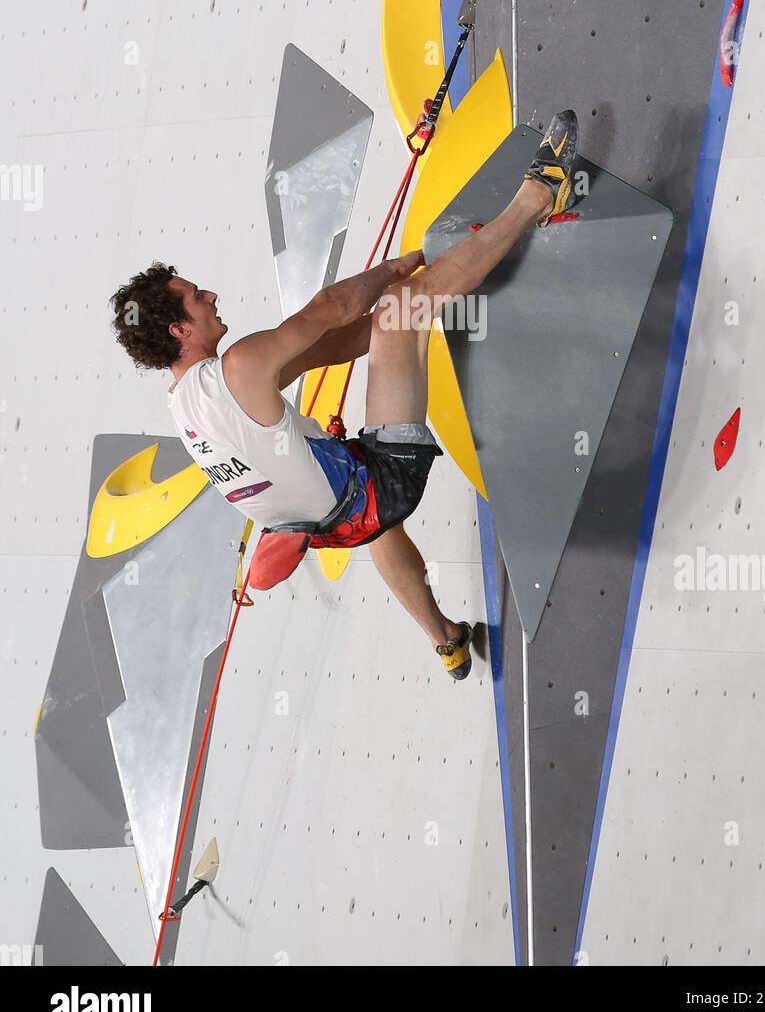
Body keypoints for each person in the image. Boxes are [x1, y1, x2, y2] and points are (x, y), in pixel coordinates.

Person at [109, 111, 579, 679]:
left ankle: (446, 640)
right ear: (179, 332)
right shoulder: (239, 364)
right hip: (381, 479)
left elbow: (325, 348)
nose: (209, 293)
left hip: (338, 523)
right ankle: (538, 194)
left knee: (377, 508)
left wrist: (409, 299)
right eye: (193, 297)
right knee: (406, 307)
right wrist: (401, 273)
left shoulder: (187, 404)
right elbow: (333, 309)